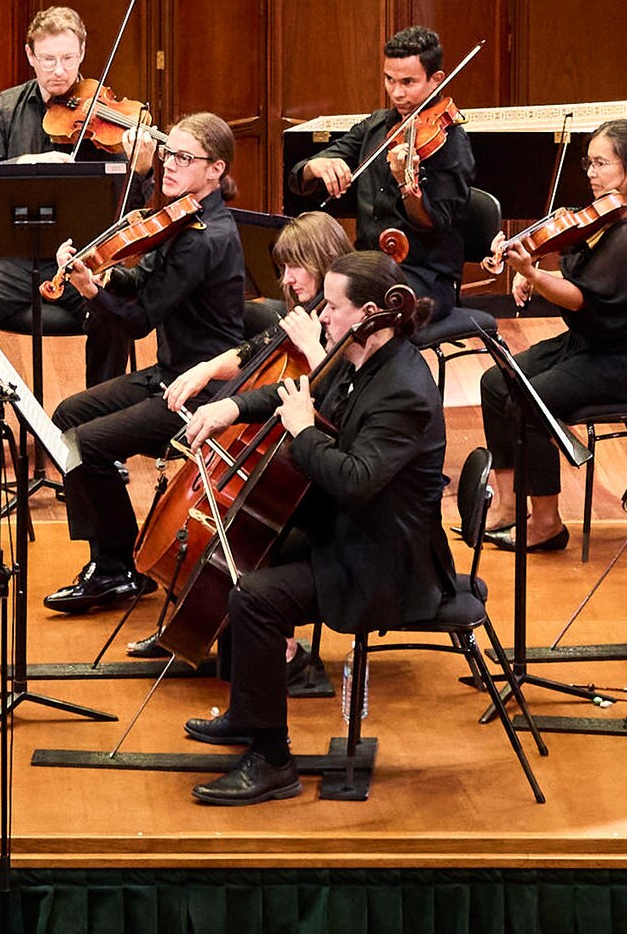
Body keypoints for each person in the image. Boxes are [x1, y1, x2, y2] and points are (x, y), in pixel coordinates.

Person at [181, 255, 454, 808]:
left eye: (331, 306)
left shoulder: (403, 390)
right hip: (350, 532)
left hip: (383, 561)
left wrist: (305, 433)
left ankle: (272, 761)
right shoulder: (359, 357)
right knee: (248, 544)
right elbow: (299, 392)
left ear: (369, 313)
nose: (320, 315)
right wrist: (231, 406)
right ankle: (249, 710)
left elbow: (355, 482)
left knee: (255, 597)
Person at [38, 114, 269, 618]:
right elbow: (140, 281)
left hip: (198, 392)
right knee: (68, 417)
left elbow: (140, 320)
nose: (169, 165)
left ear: (215, 170)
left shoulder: (206, 238)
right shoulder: (181, 220)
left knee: (86, 444)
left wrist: (92, 293)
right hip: (167, 373)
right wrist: (98, 272)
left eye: (185, 158)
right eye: (168, 153)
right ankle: (113, 561)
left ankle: (117, 569)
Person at [490, 119, 627, 556]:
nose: (591, 174)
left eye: (601, 164)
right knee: (496, 381)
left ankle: (546, 523)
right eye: (588, 163)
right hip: (596, 343)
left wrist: (533, 274)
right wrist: (536, 271)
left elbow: (585, 300)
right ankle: (507, 506)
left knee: (530, 400)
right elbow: (585, 277)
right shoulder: (611, 216)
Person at [0, 7, 160, 381]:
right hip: (13, 259)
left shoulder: (105, 117)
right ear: (30, 56)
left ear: (82, 53)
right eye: (48, 59)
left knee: (112, 310)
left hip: (83, 258)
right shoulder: (3, 109)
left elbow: (128, 213)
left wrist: (141, 170)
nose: (59, 71)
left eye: (68, 58)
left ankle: (98, 411)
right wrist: (30, 162)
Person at [294, 28, 506, 320]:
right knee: (311, 301)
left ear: (437, 79)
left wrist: (407, 184)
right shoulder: (376, 126)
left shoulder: (452, 143)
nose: (396, 93)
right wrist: (315, 166)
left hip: (425, 278)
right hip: (368, 266)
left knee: (352, 314)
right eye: (389, 80)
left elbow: (434, 226)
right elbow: (304, 174)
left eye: (408, 82)